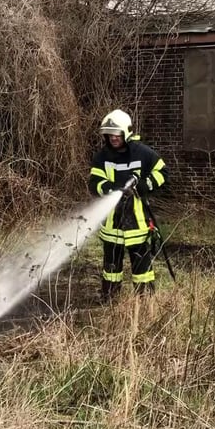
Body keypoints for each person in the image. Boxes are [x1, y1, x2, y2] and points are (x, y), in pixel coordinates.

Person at [88, 109, 170, 302]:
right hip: (112, 222)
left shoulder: (143, 153)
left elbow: (163, 173)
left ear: (126, 132)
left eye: (116, 134)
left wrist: (145, 184)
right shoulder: (102, 157)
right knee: (111, 265)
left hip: (138, 221)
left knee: (142, 264)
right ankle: (109, 296)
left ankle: (145, 299)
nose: (113, 138)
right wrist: (109, 188)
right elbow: (94, 184)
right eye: (109, 135)